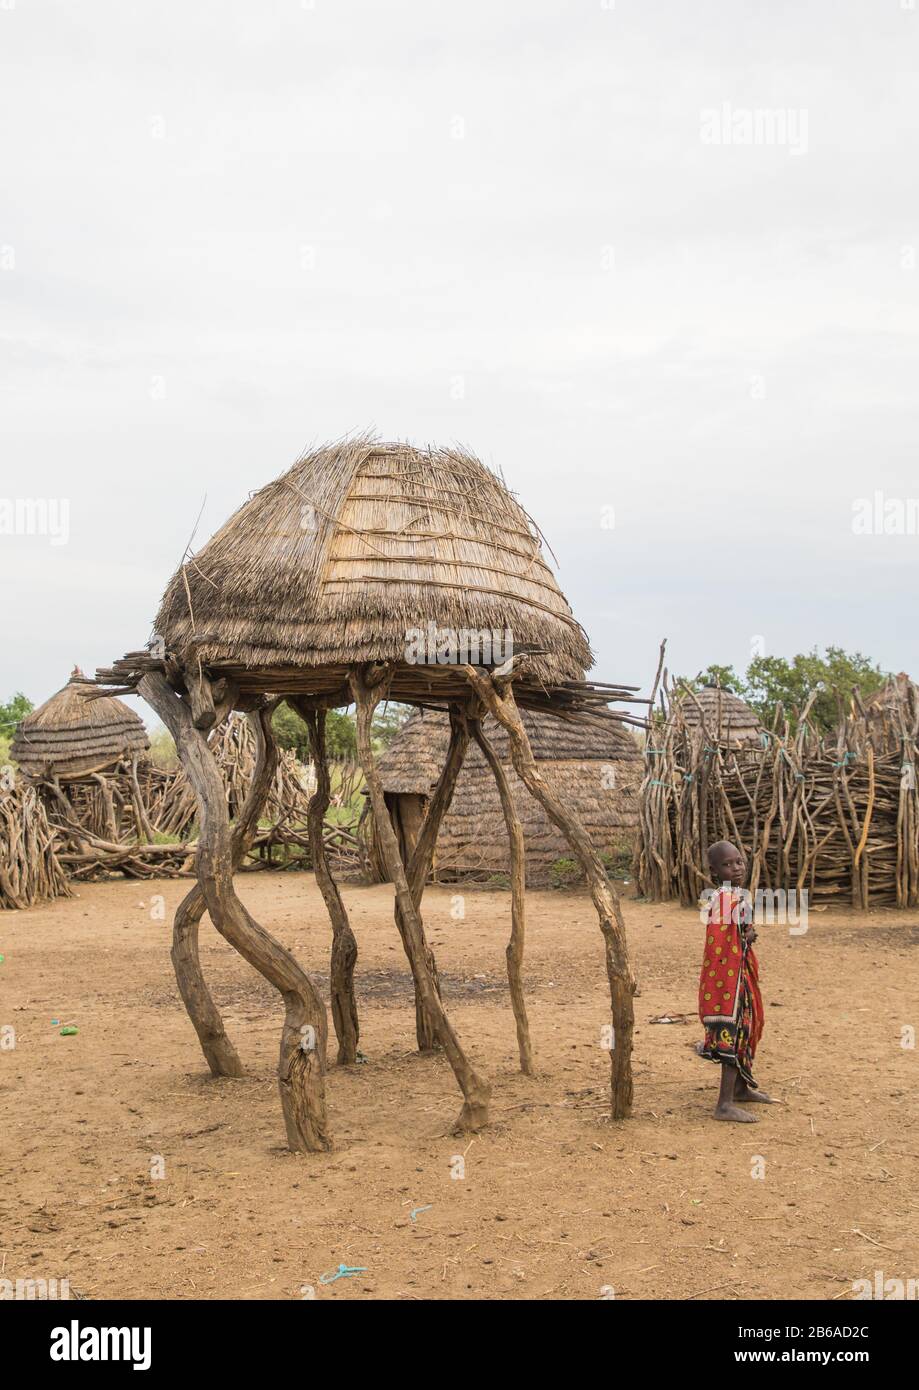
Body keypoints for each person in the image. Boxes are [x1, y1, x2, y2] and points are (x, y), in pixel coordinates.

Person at [698, 840, 773, 1122]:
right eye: (728, 865)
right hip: (728, 979)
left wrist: (746, 935)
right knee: (733, 1031)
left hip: (740, 972)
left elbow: (740, 931)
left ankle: (741, 1088)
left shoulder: (736, 895)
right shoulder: (723, 898)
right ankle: (724, 1105)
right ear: (714, 870)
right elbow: (721, 938)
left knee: (746, 1027)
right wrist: (746, 937)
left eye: (739, 861)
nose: (736, 868)